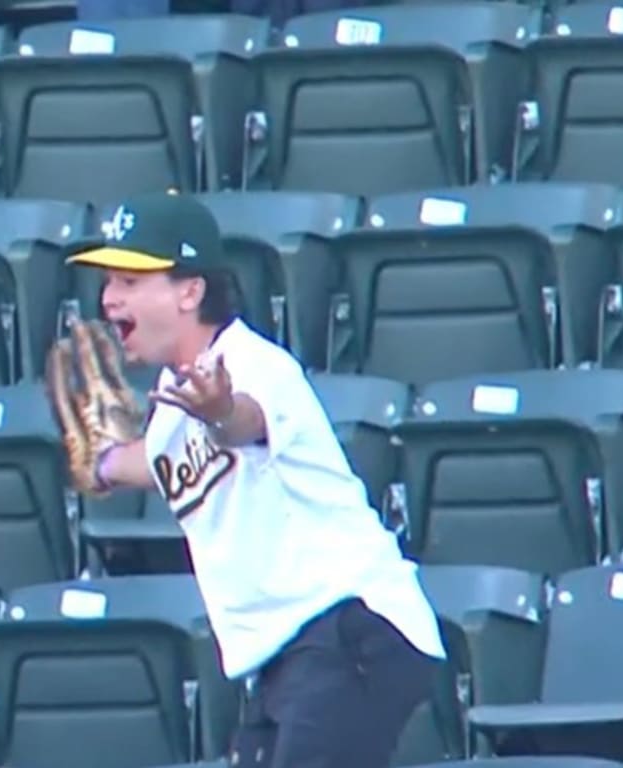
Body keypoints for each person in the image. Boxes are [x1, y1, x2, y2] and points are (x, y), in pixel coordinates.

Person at [63, 195, 447, 767]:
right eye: (109, 282)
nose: (108, 298)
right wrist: (98, 460)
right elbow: (154, 464)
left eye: (128, 280)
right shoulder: (173, 401)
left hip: (350, 626)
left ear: (190, 291)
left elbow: (244, 420)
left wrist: (219, 411)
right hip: (291, 656)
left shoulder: (253, 364)